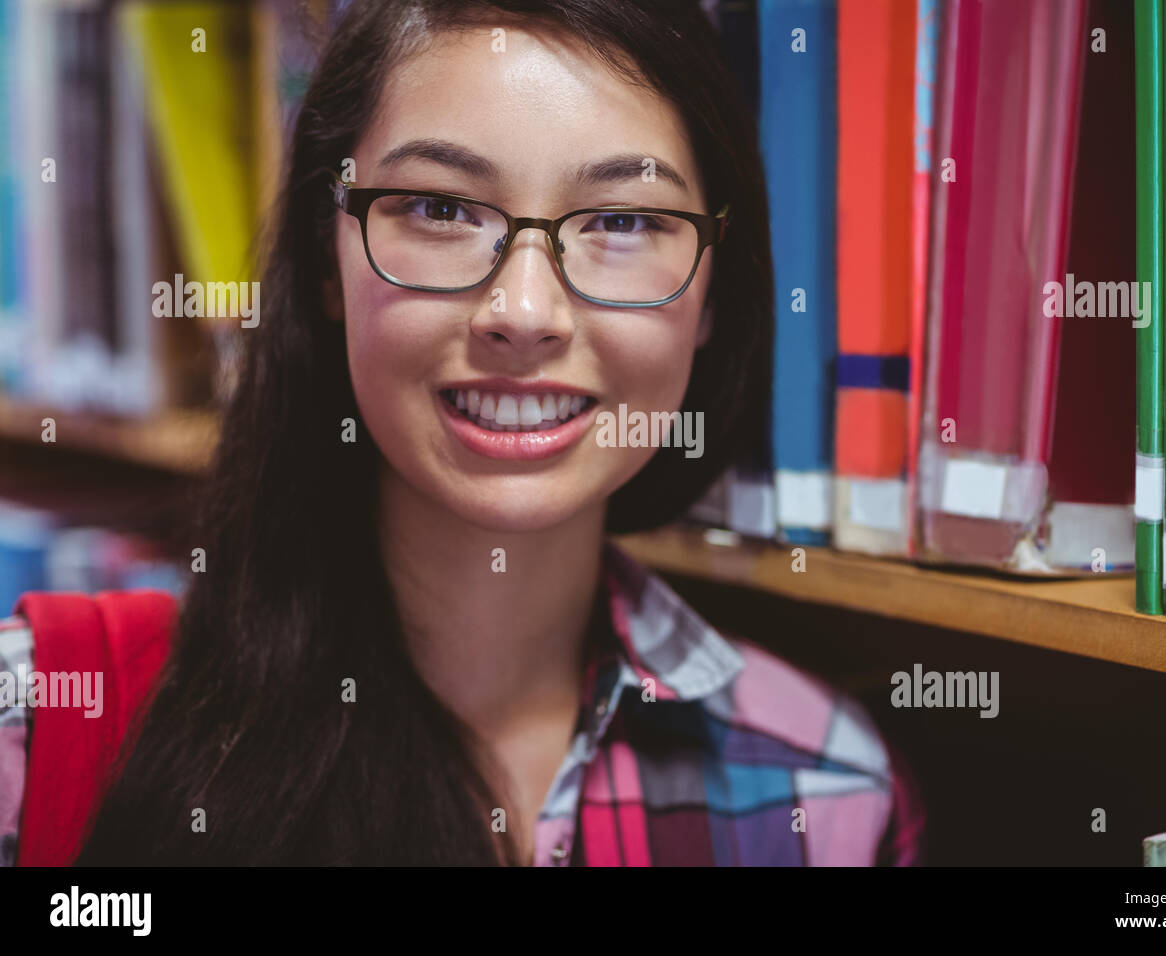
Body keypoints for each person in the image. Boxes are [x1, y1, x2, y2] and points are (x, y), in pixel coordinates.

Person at [0, 0, 923, 866]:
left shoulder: (825, 792)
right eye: (441, 209)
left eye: (625, 219)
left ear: (714, 289)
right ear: (329, 255)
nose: (523, 312)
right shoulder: (34, 729)